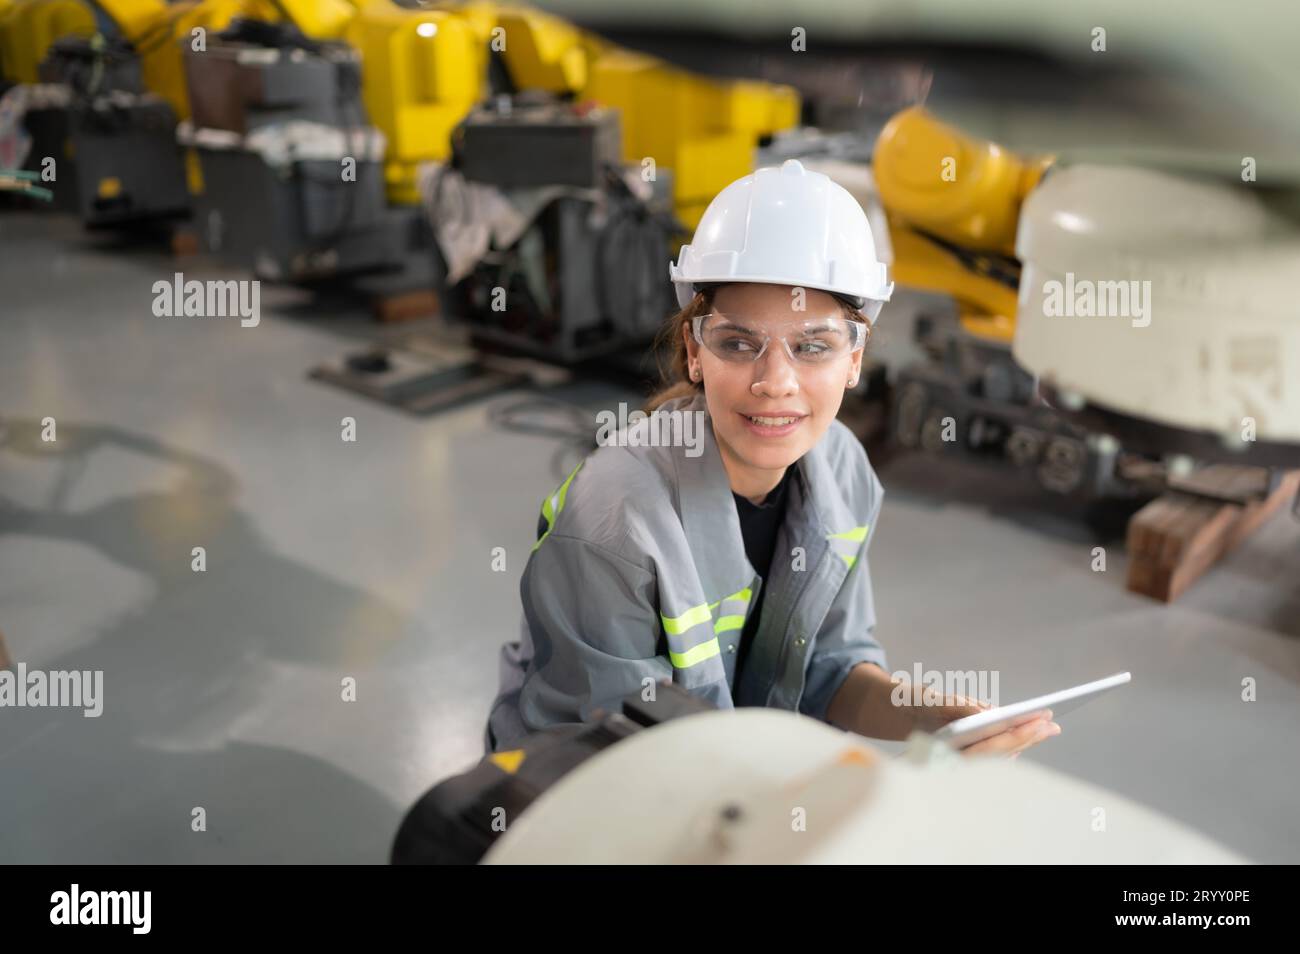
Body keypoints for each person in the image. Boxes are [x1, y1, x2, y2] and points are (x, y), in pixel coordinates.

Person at [485, 159, 1060, 757]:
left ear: (855, 359)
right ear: (694, 352)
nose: (775, 382)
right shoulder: (616, 519)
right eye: (738, 343)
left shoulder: (842, 471)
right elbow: (616, 753)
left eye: (813, 346)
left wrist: (935, 721)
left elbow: (828, 670)